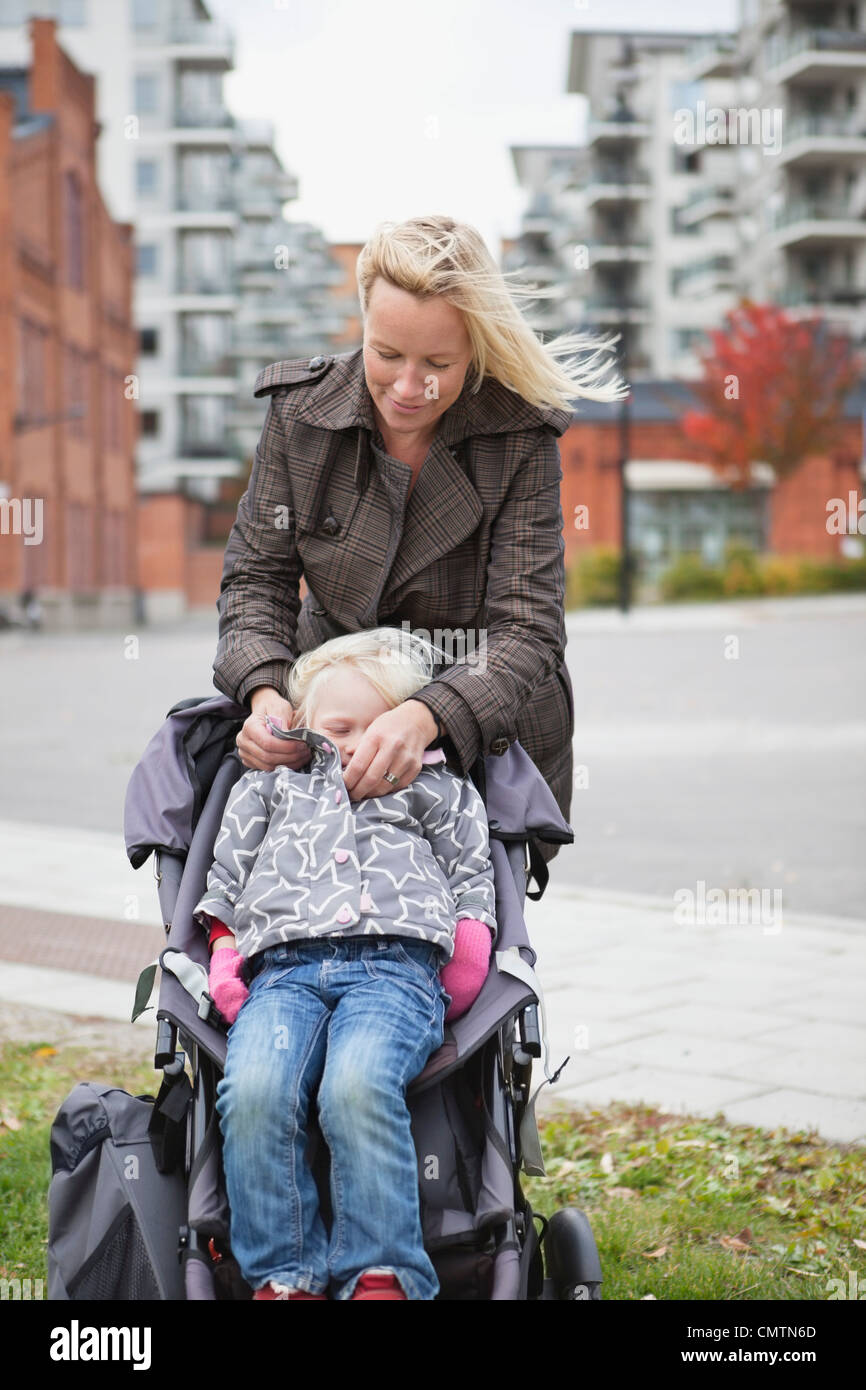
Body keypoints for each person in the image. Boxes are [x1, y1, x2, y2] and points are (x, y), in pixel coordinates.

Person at [211, 214, 627, 882]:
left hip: (481, 730)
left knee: (467, 955)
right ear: (362, 325)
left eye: (438, 364)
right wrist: (266, 694)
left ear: (475, 347)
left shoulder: (520, 436)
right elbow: (257, 581)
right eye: (386, 355)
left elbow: (529, 628)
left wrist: (428, 714)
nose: (408, 389)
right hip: (330, 724)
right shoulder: (299, 415)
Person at [193, 627, 498, 1301]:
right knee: (255, 1092)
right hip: (284, 976)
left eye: (380, 728)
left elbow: (473, 874)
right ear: (301, 727)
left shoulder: (434, 787)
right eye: (339, 728)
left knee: (354, 1086)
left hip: (396, 971)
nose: (359, 744)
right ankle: (284, 1274)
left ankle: (381, 1272)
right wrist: (223, 952)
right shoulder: (270, 788)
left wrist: (469, 952)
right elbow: (225, 876)